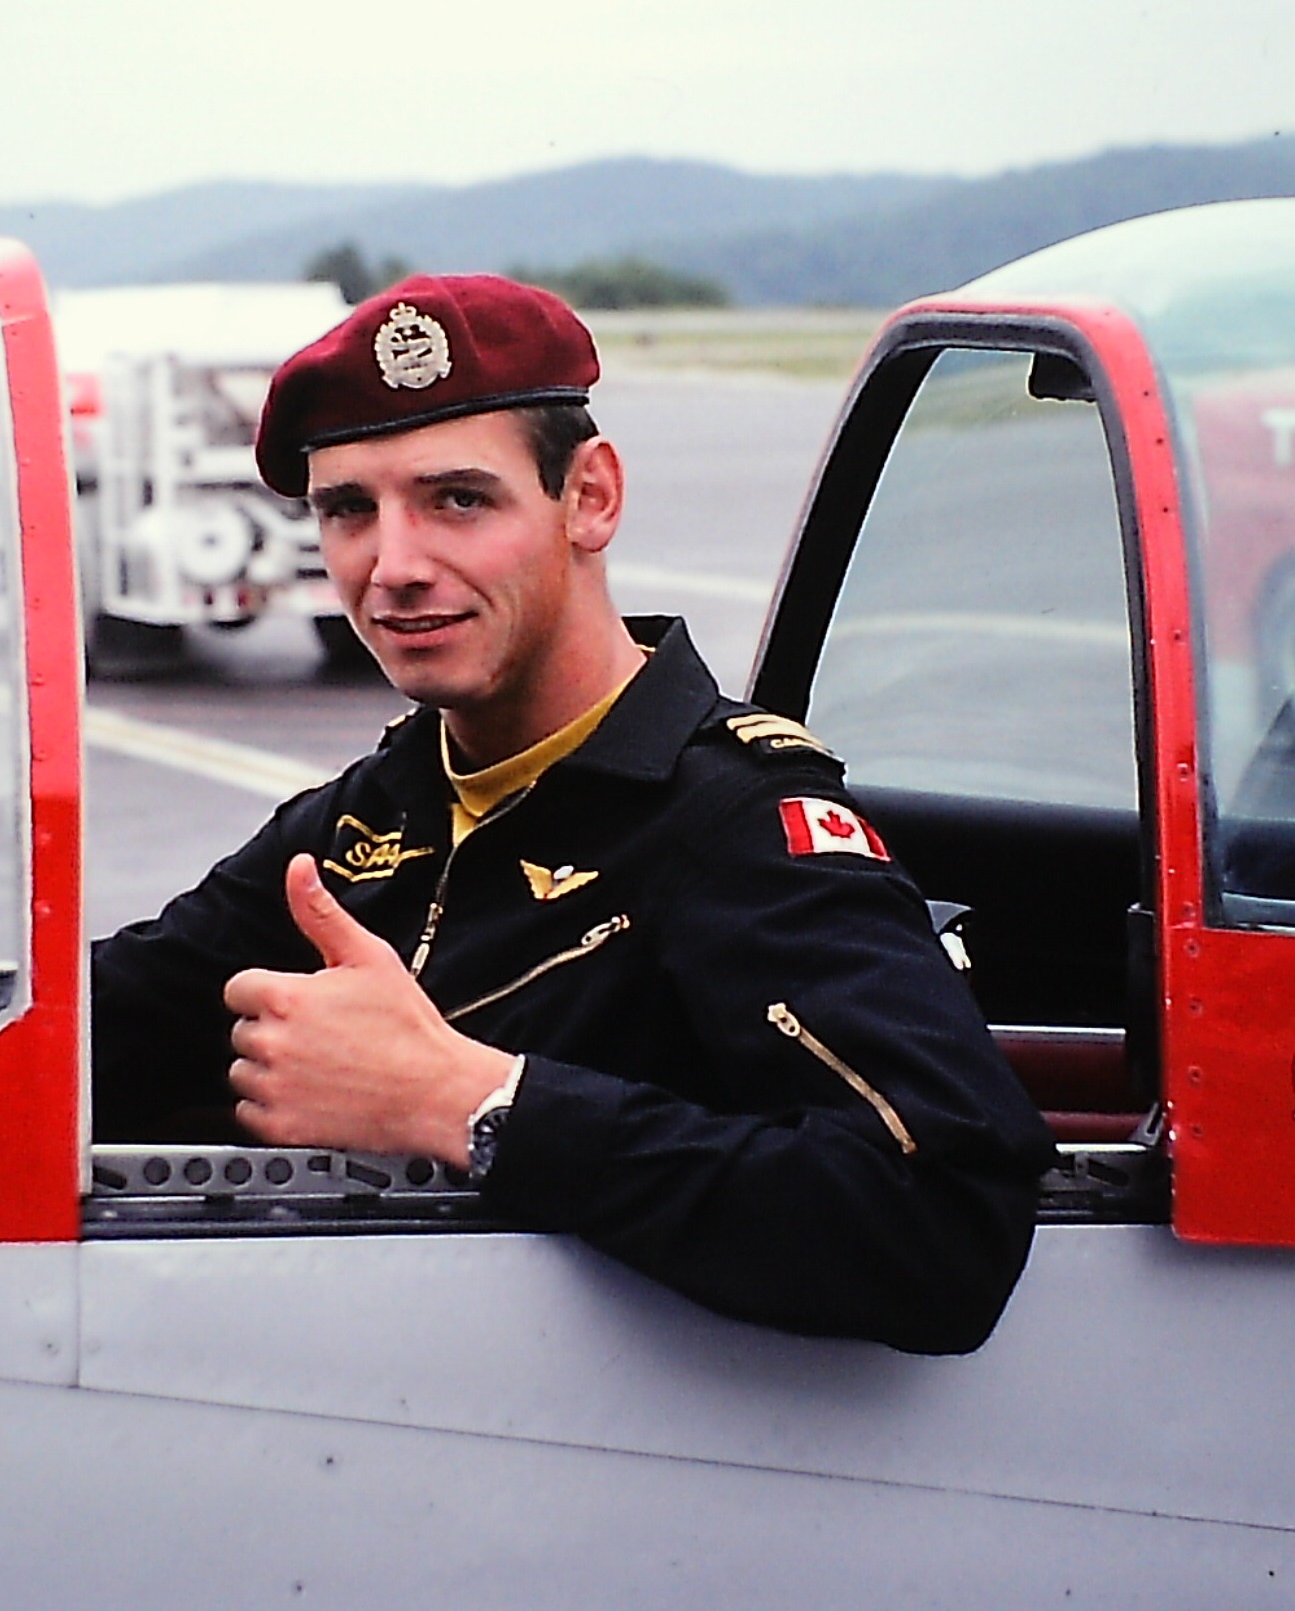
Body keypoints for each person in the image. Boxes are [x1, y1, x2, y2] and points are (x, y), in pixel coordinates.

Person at [90, 275, 1054, 1353]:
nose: (394, 567)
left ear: (589, 497)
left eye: (458, 499)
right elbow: (92, 1038)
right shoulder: (374, 818)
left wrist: (478, 1104)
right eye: (349, 510)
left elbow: (948, 1229)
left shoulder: (738, 826)